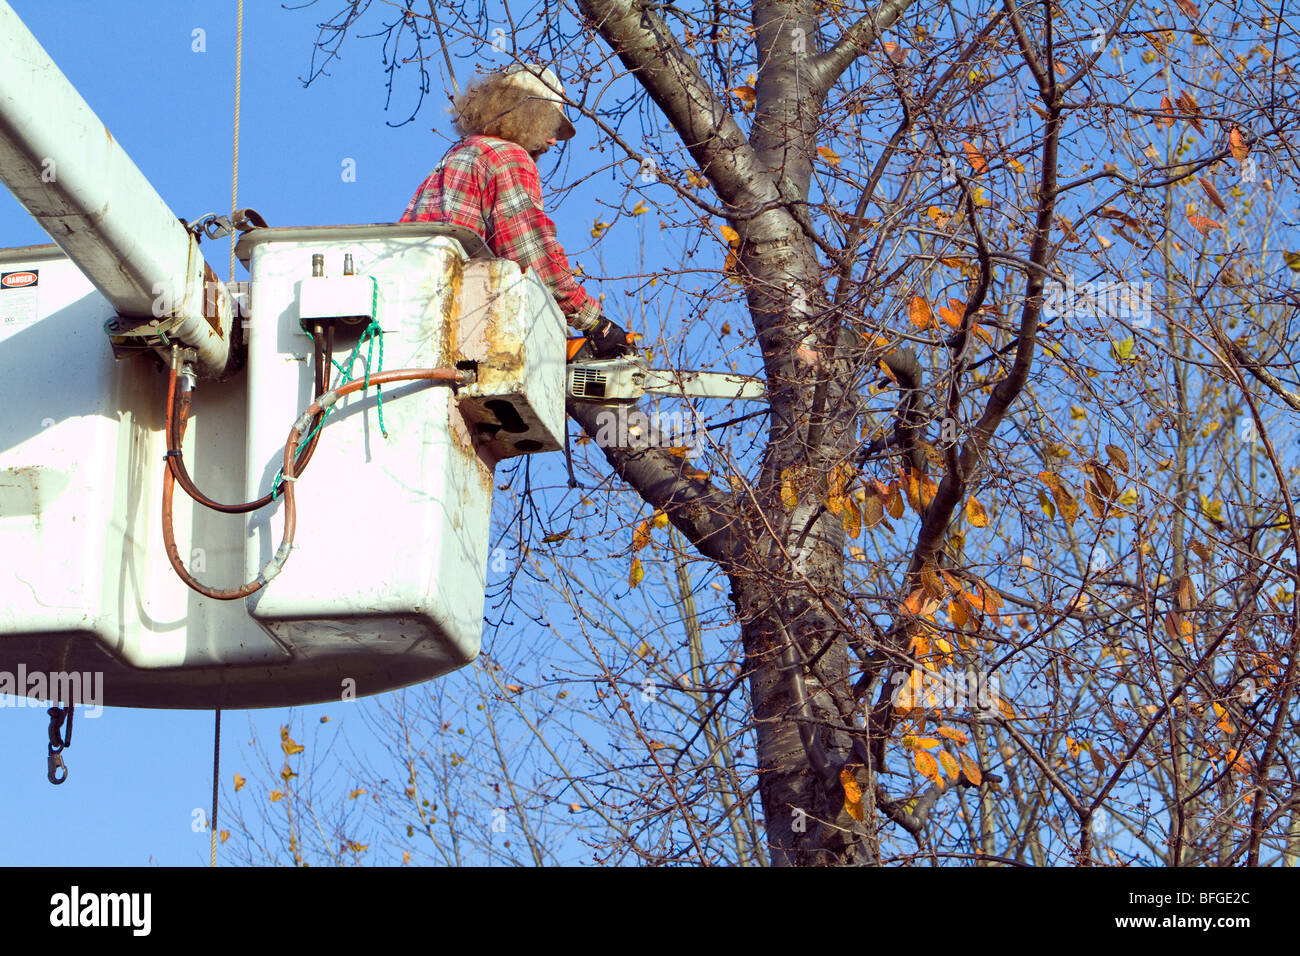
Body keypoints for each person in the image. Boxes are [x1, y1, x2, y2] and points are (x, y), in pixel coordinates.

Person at [400, 64, 633, 358]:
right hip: (462, 331)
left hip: (413, 320)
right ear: (527, 113)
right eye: (549, 125)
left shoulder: (457, 155)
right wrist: (595, 323)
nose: (552, 141)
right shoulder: (508, 157)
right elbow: (533, 255)